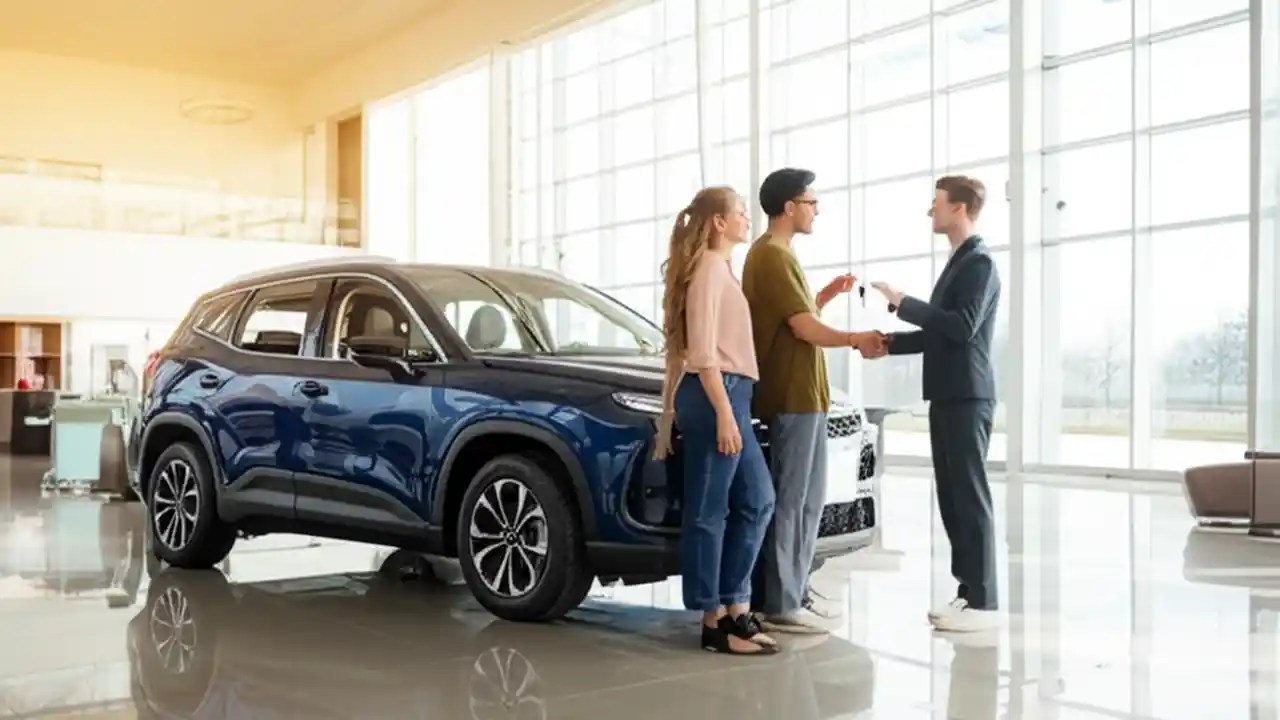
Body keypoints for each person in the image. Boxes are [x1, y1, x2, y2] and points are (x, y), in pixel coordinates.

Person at [741, 168, 887, 635]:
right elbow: (803, 329)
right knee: (793, 499)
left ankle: (794, 589)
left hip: (806, 395)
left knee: (809, 499)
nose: (816, 209)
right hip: (791, 395)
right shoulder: (771, 256)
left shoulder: (780, 257)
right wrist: (854, 338)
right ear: (789, 207)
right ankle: (781, 601)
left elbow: (797, 316)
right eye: (811, 201)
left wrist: (824, 294)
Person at [868, 174, 1002, 633]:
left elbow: (962, 327)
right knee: (952, 496)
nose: (931, 211)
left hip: (968, 396)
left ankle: (982, 601)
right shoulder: (959, 263)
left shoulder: (979, 264)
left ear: (960, 208)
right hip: (948, 394)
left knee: (968, 496)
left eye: (937, 203)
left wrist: (903, 301)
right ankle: (968, 593)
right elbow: (941, 332)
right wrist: (890, 343)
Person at [652, 186, 780, 656]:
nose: (748, 218)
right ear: (719, 222)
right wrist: (726, 415)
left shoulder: (720, 270)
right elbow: (703, 353)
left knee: (758, 500)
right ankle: (713, 623)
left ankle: (736, 608)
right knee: (709, 512)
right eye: (742, 212)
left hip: (731, 394)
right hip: (716, 395)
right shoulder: (707, 270)